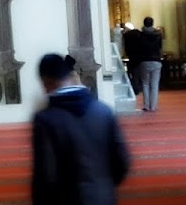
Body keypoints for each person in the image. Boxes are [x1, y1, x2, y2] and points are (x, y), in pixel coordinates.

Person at [32, 53, 130, 204]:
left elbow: (46, 175)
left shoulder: (46, 120)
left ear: (45, 82)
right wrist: (103, 186)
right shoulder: (104, 111)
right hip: (103, 197)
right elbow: (122, 163)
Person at [137, 17, 164, 112]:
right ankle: (153, 106)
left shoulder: (140, 35)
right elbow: (160, 47)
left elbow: (138, 48)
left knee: (145, 84)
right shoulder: (158, 35)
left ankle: (146, 105)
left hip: (144, 61)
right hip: (156, 60)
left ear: (144, 24)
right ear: (152, 23)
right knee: (155, 84)